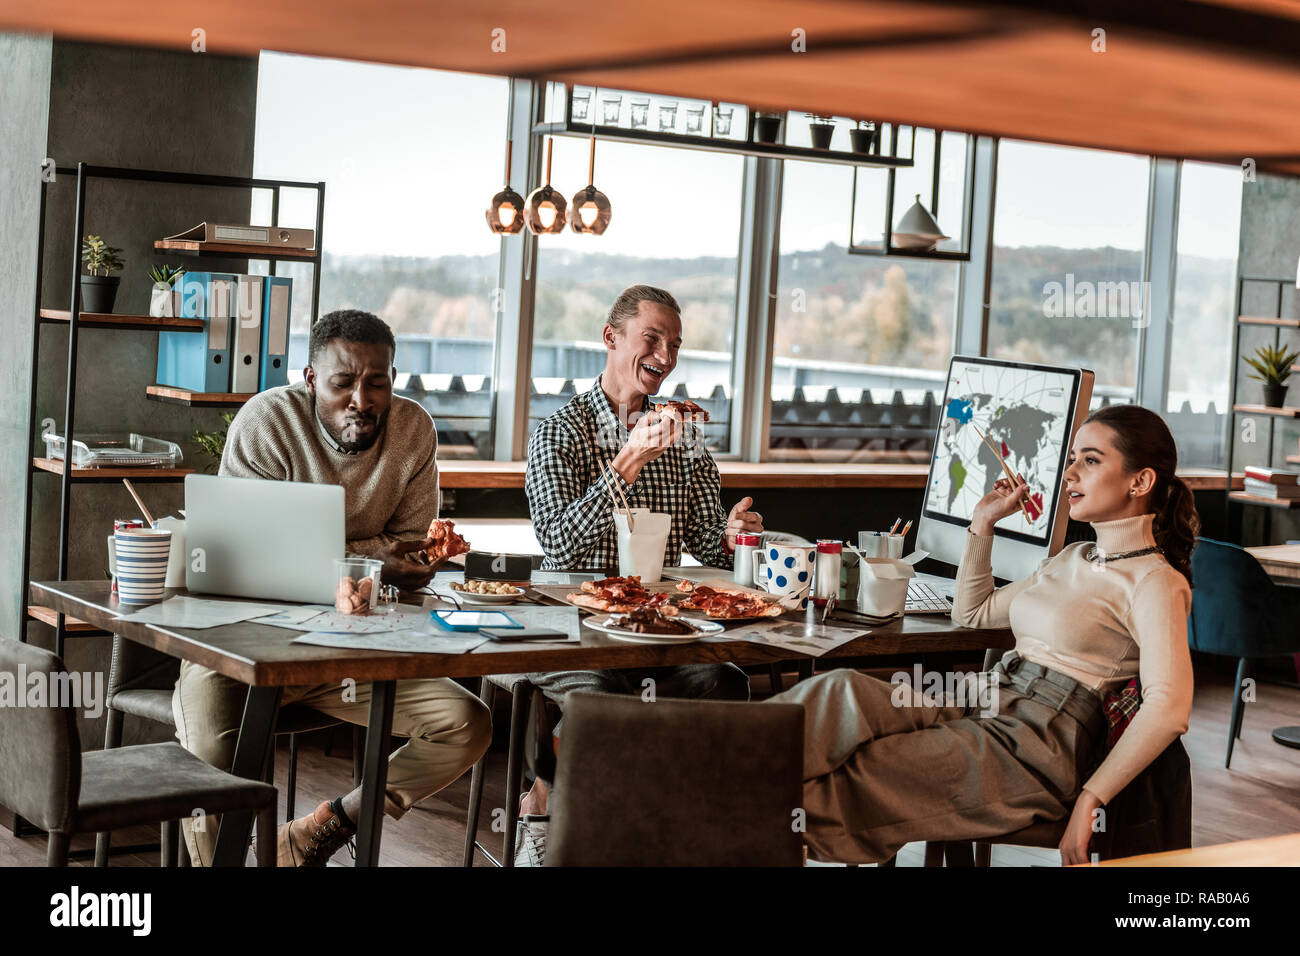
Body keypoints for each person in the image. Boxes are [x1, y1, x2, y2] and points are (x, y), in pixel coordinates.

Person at [771, 404, 1198, 865]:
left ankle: (717, 811)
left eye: (1090, 461)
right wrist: (983, 523)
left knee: (867, 775)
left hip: (1041, 739)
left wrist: (1091, 799)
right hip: (983, 694)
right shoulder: (1075, 556)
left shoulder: (1155, 582)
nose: (1070, 473)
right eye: (1072, 458)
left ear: (1140, 482)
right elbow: (973, 613)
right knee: (838, 694)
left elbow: (1168, 708)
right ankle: (705, 775)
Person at [171, 309, 492, 867]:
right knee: (211, 753)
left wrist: (392, 565)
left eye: (378, 382)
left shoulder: (413, 430)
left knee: (466, 725)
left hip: (348, 650)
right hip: (240, 645)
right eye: (343, 382)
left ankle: (322, 829)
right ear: (312, 378)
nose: (362, 400)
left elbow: (411, 545)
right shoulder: (267, 423)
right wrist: (373, 560)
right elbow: (250, 554)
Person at [515, 284, 765, 863]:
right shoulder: (559, 432)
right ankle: (544, 808)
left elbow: (706, 542)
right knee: (600, 699)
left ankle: (668, 834)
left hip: (660, 629)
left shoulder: (687, 433)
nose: (666, 355)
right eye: (652, 338)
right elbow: (558, 544)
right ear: (612, 338)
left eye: (675, 344)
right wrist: (628, 461)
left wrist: (730, 535)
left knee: (727, 684)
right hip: (575, 629)